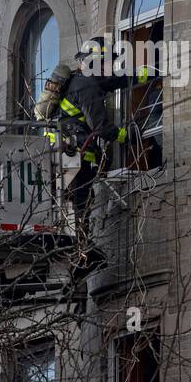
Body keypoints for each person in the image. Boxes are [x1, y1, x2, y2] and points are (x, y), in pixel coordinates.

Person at [34, 36, 145, 237]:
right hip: (75, 158)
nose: (113, 66)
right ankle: (80, 250)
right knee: (79, 204)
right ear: (97, 62)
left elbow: (111, 82)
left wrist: (141, 75)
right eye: (110, 61)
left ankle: (79, 246)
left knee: (73, 203)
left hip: (61, 156)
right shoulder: (87, 86)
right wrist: (127, 136)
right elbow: (101, 127)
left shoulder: (80, 81)